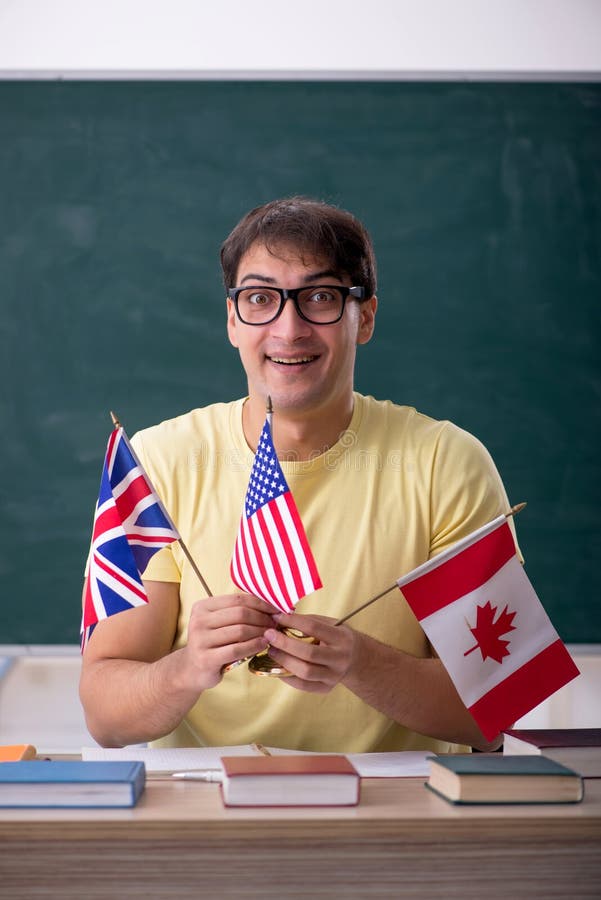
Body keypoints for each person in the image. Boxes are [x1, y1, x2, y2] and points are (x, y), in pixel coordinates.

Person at [80, 196, 516, 754]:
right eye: (260, 298)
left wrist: (361, 663)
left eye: (320, 297)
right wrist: (188, 667)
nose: (290, 329)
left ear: (366, 317)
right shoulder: (157, 463)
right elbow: (104, 715)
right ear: (232, 320)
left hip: (399, 816)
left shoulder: (446, 464)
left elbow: (496, 708)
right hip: (206, 812)